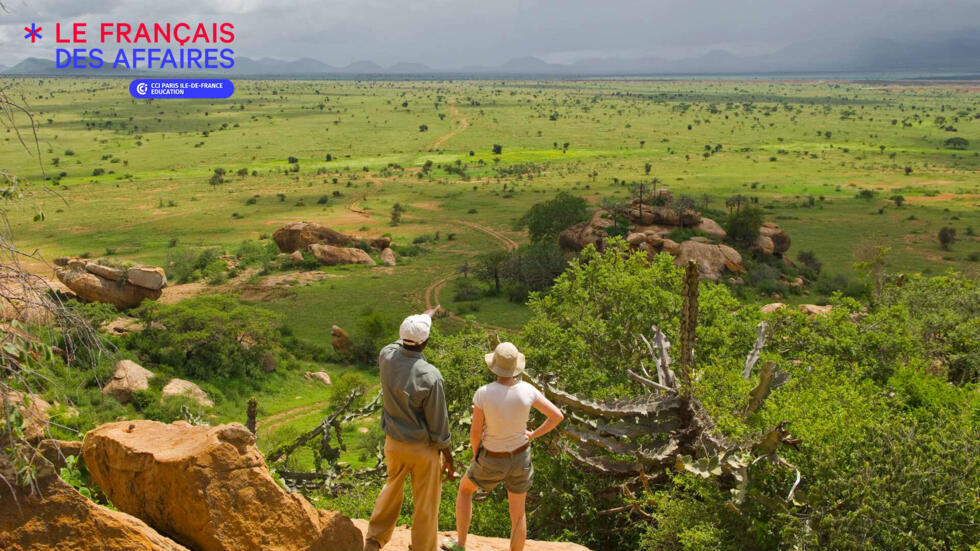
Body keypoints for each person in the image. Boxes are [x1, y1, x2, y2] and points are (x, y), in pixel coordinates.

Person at [444, 342, 564, 551]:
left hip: (491, 456)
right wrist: (533, 435)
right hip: (520, 457)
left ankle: (460, 545)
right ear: (516, 365)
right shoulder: (528, 390)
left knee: (465, 490)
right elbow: (557, 416)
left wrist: (476, 456)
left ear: (495, 366)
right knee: (518, 514)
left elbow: (475, 432)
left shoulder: (484, 393)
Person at [364, 307, 454, 551]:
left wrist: (424, 317)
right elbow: (438, 423)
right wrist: (448, 456)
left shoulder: (386, 356)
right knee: (425, 503)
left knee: (391, 489)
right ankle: (423, 547)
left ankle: (374, 540)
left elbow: (402, 340)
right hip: (423, 450)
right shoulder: (431, 376)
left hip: (394, 443)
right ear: (426, 343)